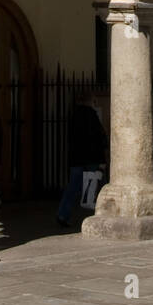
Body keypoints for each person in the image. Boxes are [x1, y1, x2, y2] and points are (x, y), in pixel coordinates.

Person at [57, 94, 108, 227]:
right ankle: (104, 213)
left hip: (76, 158)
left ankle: (63, 213)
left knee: (72, 187)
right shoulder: (92, 115)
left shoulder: (73, 116)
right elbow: (98, 137)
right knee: (99, 185)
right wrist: (102, 158)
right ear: (89, 101)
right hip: (92, 157)